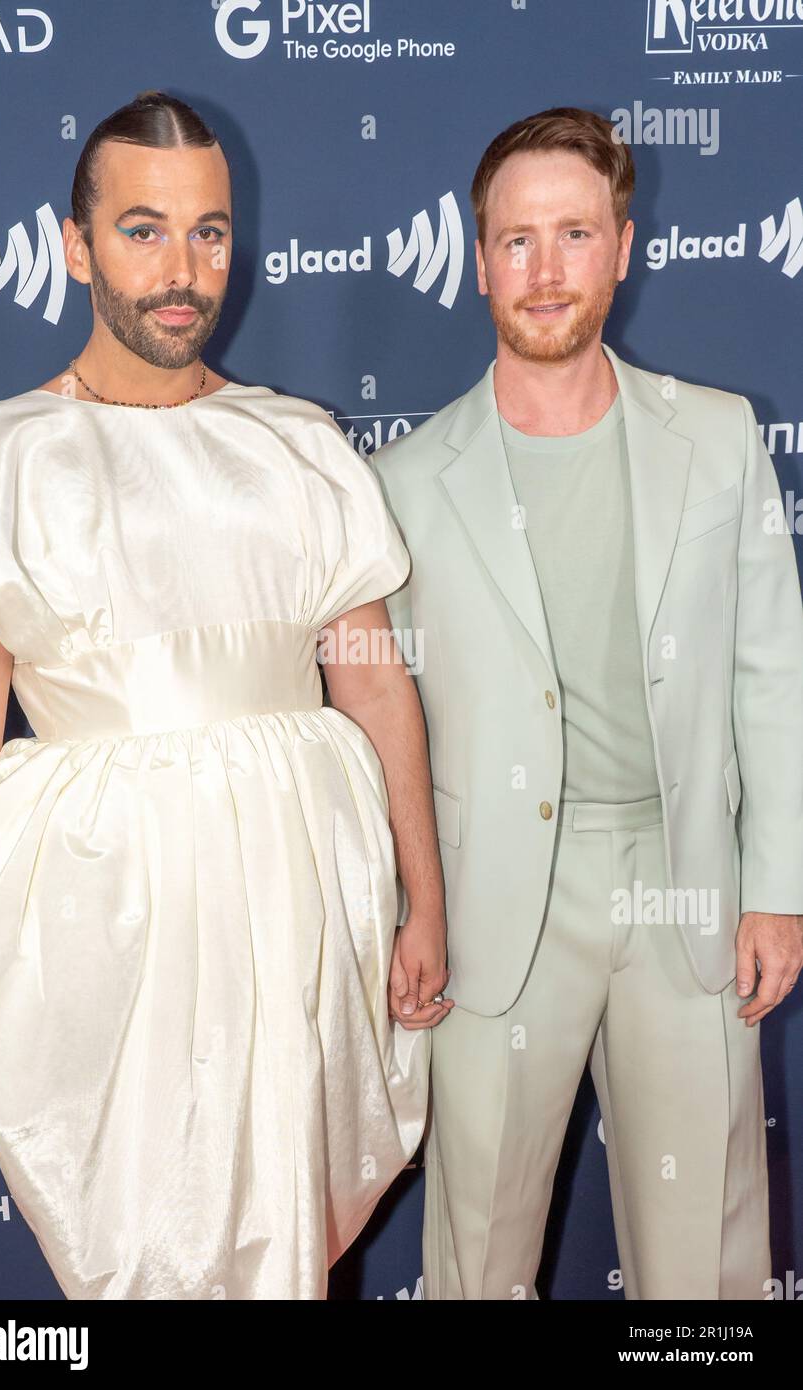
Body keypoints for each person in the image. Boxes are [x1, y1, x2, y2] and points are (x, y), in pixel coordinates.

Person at [0, 90, 451, 1301]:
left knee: (287, 1235)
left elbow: (376, 696)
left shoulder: (301, 445)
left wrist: (422, 899)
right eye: (144, 229)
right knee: (149, 1244)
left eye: (209, 232)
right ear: (75, 245)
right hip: (119, 918)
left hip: (298, 899)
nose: (183, 269)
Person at [371, 107, 803, 1300]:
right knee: (479, 1254)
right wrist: (409, 903)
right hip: (495, 907)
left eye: (572, 234)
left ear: (624, 245)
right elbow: (377, 717)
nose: (543, 269)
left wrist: (776, 884)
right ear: (476, 262)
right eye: (515, 241)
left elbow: (773, 668)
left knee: (703, 1259)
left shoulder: (717, 442)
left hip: (687, 892)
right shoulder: (401, 484)